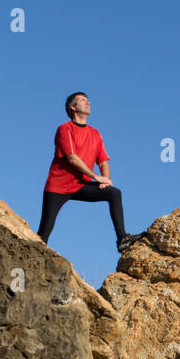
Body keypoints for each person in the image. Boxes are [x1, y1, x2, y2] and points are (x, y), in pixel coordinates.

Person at [36, 92, 142, 250]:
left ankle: (122, 239)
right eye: (83, 101)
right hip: (57, 186)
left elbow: (103, 161)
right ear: (73, 107)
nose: (88, 103)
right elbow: (72, 158)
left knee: (114, 193)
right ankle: (34, 255)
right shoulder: (65, 129)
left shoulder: (95, 134)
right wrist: (95, 177)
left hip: (81, 185)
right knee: (44, 232)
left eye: (88, 101)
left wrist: (105, 180)